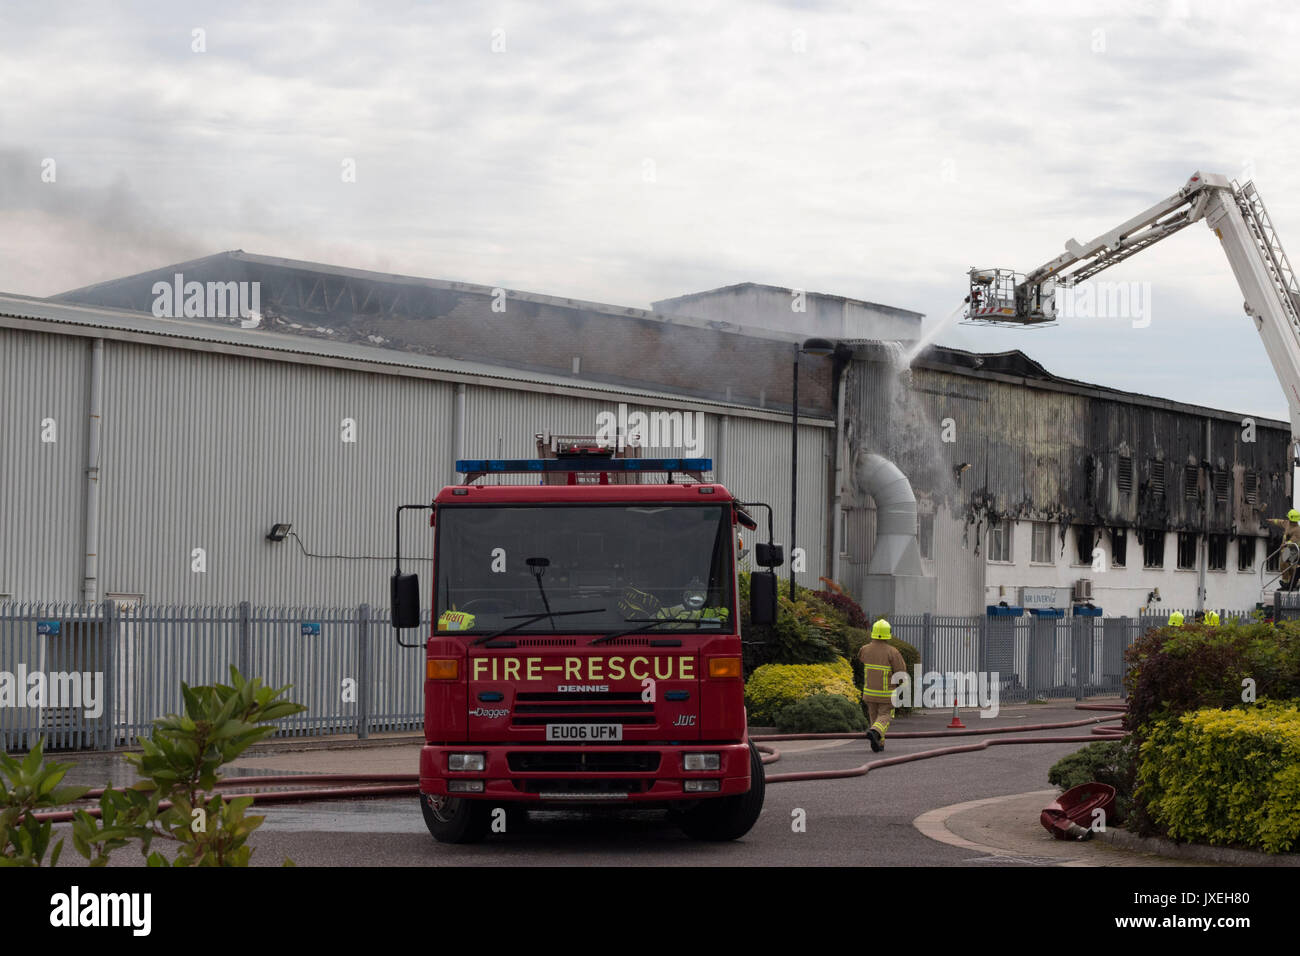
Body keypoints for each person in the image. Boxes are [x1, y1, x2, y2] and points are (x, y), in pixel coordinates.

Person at [859, 618, 907, 753]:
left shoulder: (865, 649)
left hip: (869, 692)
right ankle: (875, 733)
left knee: (874, 718)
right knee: (885, 716)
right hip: (886, 693)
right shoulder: (892, 652)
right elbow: (901, 672)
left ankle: (879, 743)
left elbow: (861, 659)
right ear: (888, 633)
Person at [1265, 508, 1300, 590]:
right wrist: (1271, 521)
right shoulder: (1287, 523)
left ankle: (1291, 584)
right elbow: (1280, 522)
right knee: (1283, 565)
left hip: (1294, 550)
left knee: (1290, 566)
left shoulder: (1298, 530)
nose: (1289, 520)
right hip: (1286, 550)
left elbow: (1293, 541)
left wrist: (1285, 544)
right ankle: (1286, 584)